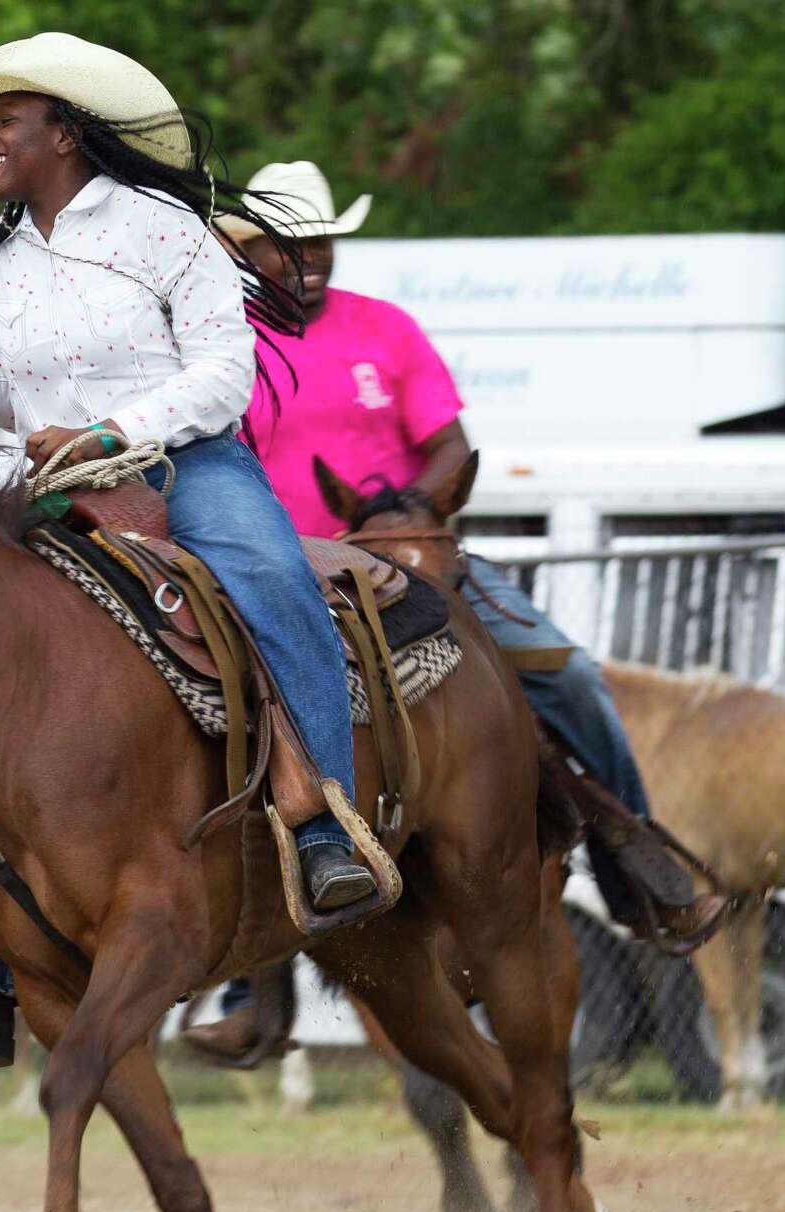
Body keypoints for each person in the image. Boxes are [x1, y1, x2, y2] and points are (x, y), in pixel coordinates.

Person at [185, 160, 728, 1060]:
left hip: (408, 562)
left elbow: (450, 447)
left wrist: (405, 513)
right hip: (278, 583)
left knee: (570, 675)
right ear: (246, 255)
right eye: (288, 246)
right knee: (231, 734)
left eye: (321, 241)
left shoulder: (384, 330)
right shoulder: (222, 349)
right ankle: (253, 982)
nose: (311, 258)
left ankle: (640, 861)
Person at [0, 36, 379, 931]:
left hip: (187, 468)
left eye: (6, 127)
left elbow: (227, 373)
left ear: (63, 137)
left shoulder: (165, 228)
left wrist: (111, 431)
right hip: (50, 486)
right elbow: (7, 398)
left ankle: (322, 828)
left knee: (270, 575)